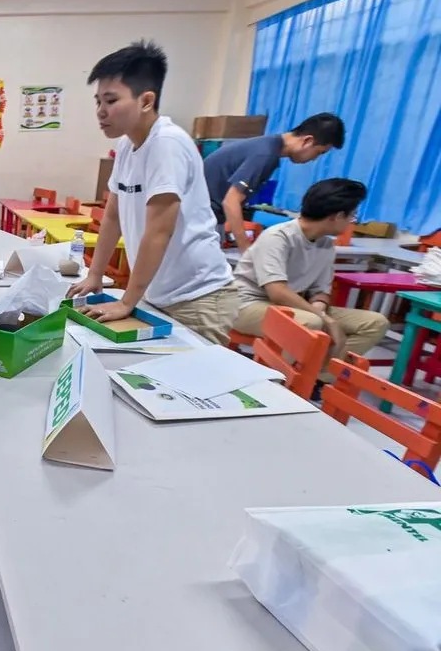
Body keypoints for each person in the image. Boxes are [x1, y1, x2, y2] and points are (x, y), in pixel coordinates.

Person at [68, 40, 239, 346]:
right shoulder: (126, 145)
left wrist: (127, 301)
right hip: (156, 292)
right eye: (98, 102)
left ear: (146, 100)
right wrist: (94, 274)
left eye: (111, 101)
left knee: (189, 375)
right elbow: (113, 216)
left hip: (197, 298)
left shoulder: (166, 144)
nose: (101, 112)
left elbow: (159, 231)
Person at [231, 178, 388, 389]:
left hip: (293, 305)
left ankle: (316, 377)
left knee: (375, 322)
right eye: (352, 215)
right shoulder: (278, 237)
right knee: (310, 323)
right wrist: (324, 318)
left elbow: (320, 290)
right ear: (337, 216)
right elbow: (277, 291)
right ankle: (274, 382)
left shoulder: (326, 245)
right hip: (248, 304)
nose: (353, 221)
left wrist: (319, 308)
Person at [205, 113, 346, 254]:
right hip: (205, 219)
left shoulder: (267, 146)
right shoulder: (265, 155)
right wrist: (245, 249)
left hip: (209, 217)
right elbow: (231, 202)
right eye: (319, 153)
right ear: (308, 141)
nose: (314, 159)